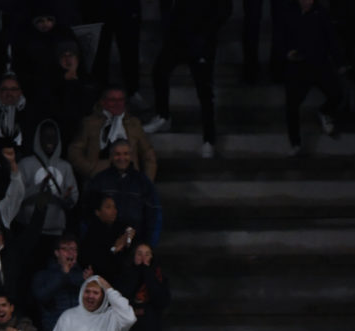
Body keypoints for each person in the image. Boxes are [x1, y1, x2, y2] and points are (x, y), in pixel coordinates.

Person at [143, 0, 232, 158]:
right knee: (159, 72)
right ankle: (163, 116)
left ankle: (209, 140)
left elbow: (224, 10)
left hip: (201, 41)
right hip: (178, 37)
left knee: (204, 91)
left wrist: (205, 34)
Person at [277, 0, 344, 156]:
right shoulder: (288, 12)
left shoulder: (321, 14)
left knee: (337, 94)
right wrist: (286, 53)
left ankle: (324, 112)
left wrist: (340, 62)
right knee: (292, 105)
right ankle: (295, 143)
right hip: (297, 66)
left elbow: (331, 39)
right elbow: (280, 36)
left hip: (319, 63)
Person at [68, 86, 157, 182]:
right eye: (113, 100)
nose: (117, 104)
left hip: (129, 180)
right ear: (103, 102)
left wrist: (146, 183)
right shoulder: (90, 124)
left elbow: (148, 154)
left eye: (120, 100)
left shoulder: (133, 124)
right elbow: (74, 151)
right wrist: (91, 169)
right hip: (99, 180)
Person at [85, 140, 162, 247]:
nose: (122, 158)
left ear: (131, 156)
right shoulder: (99, 180)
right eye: (117, 154)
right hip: (104, 242)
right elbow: (87, 212)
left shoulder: (142, 182)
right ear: (111, 157)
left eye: (126, 154)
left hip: (135, 243)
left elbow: (153, 213)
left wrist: (149, 244)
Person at [31, 234, 89, 331]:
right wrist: (64, 273)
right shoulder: (44, 275)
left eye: (73, 249)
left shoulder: (82, 275)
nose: (70, 253)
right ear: (57, 253)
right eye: (65, 249)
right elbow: (42, 296)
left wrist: (89, 282)